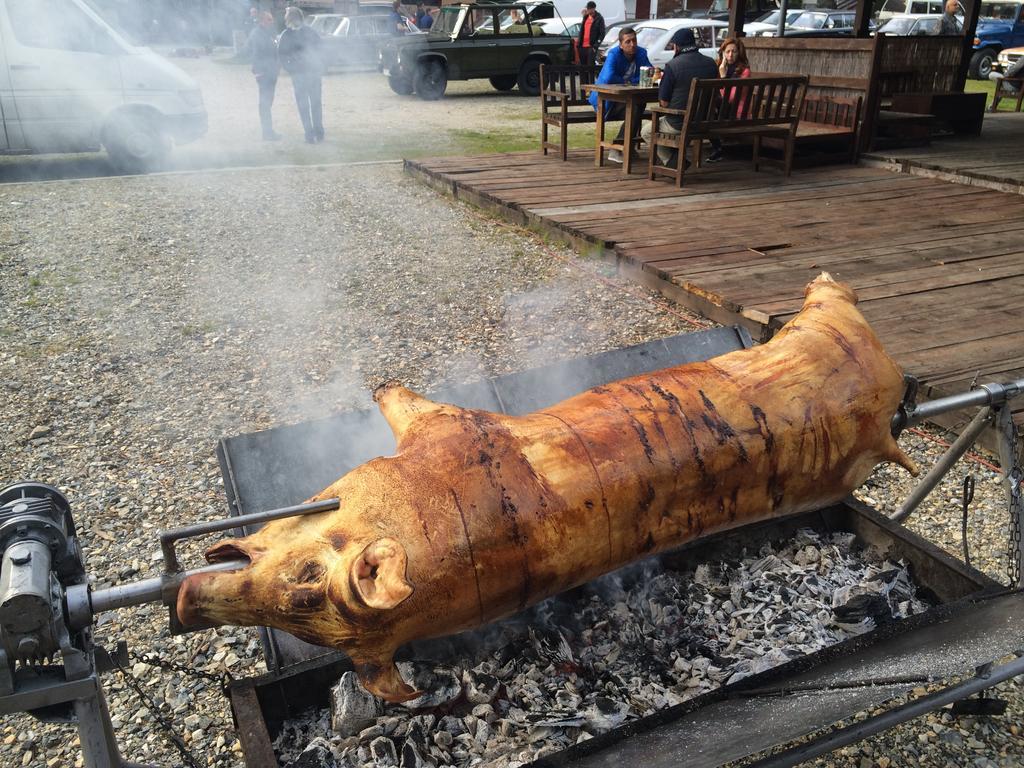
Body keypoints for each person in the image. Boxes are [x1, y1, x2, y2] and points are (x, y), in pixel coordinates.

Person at [640, 27, 717, 168]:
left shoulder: (673, 66)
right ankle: (676, 157)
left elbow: (663, 102)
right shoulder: (711, 63)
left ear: (676, 46)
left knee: (646, 131)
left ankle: (672, 161)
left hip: (680, 124)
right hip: (706, 122)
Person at [589, 27, 652, 163]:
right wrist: (631, 81)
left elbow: (649, 73)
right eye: (628, 42)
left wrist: (634, 80)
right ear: (621, 45)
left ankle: (625, 147)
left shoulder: (641, 53)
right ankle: (618, 148)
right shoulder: (613, 54)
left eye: (634, 40)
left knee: (639, 104)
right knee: (635, 108)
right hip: (605, 102)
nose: (632, 44)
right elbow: (608, 77)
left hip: (625, 99)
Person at [278, 6, 325, 143]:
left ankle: (315, 133)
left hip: (310, 73)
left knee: (311, 104)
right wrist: (292, 69)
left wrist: (318, 66)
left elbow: (320, 50)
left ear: (290, 18)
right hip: (302, 74)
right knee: (309, 105)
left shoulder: (303, 33)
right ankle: (313, 133)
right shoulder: (288, 34)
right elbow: (282, 55)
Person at [707, 36, 751, 162]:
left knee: (706, 114)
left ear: (739, 53)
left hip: (736, 113)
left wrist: (723, 77)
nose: (730, 55)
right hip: (723, 111)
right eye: (727, 51)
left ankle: (717, 149)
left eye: (734, 51)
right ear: (723, 53)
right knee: (704, 111)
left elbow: (730, 98)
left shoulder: (744, 72)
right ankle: (717, 149)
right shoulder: (720, 66)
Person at [247, 11, 281, 141]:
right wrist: (258, 71)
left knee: (268, 103)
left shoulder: (266, 33)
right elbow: (255, 53)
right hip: (264, 73)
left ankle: (268, 131)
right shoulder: (257, 34)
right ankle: (267, 133)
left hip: (271, 72)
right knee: (265, 104)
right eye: (269, 20)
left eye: (271, 19)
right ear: (262, 21)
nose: (271, 22)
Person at [578, 1, 606, 67]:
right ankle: (584, 78)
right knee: (583, 67)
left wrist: (595, 46)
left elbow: (602, 33)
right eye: (587, 8)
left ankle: (591, 77)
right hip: (582, 46)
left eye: (588, 8)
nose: (587, 10)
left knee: (590, 67)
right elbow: (582, 31)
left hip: (591, 46)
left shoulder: (599, 18)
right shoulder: (585, 17)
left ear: (593, 9)